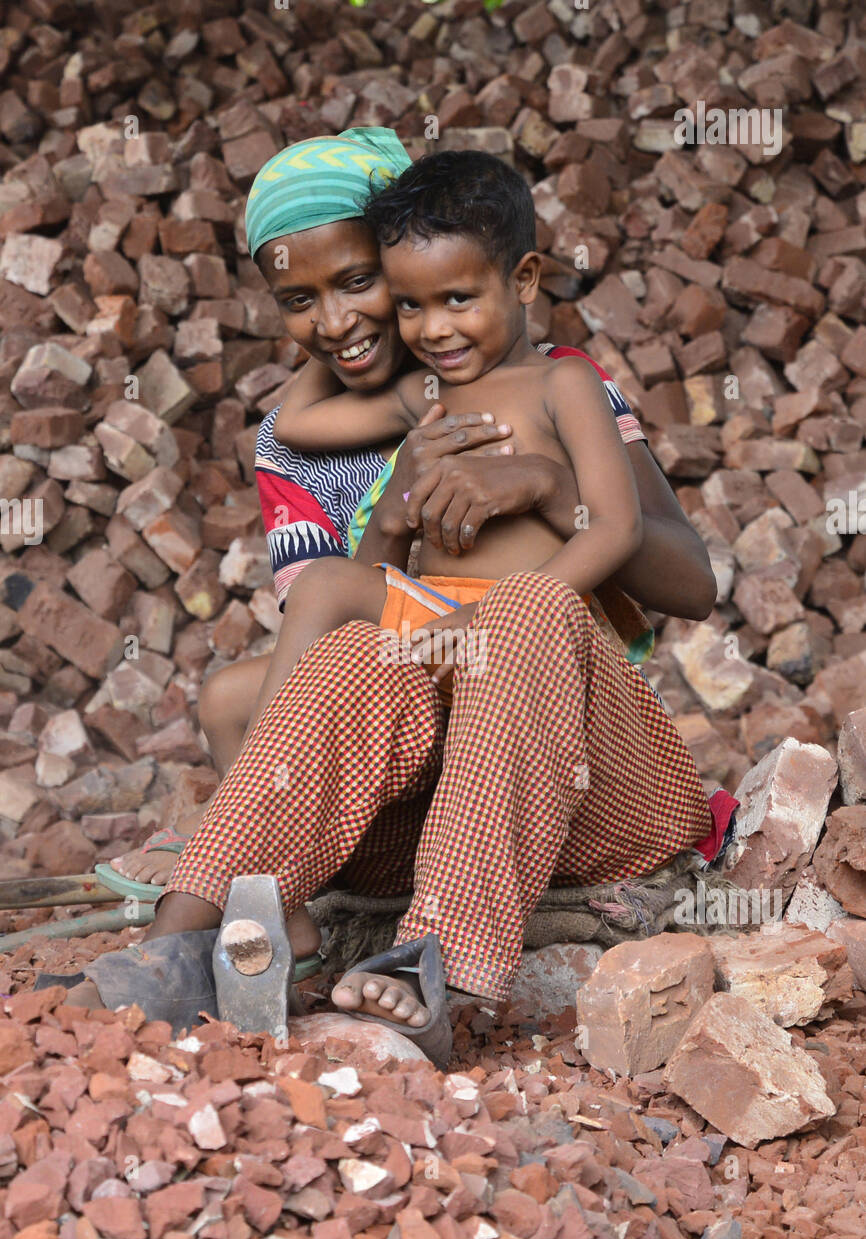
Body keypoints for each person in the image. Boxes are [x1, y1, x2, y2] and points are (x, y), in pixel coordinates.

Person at [64, 128, 730, 1053]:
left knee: (525, 608)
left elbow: (686, 580)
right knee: (348, 655)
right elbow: (366, 589)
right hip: (404, 798)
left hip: (571, 766)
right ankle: (179, 943)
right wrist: (402, 501)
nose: (348, 322)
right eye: (304, 298)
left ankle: (440, 968)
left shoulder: (560, 387)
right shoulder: (346, 430)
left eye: (363, 282)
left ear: (513, 277)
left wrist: (545, 485)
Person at [265, 149, 645, 699]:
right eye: (409, 305)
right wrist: (332, 333)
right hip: (435, 618)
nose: (435, 329)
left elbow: (618, 528)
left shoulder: (564, 383)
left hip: (533, 627)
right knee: (322, 585)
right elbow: (294, 424)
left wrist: (497, 618)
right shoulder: (423, 393)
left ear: (525, 279)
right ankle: (263, 779)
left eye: (457, 298)